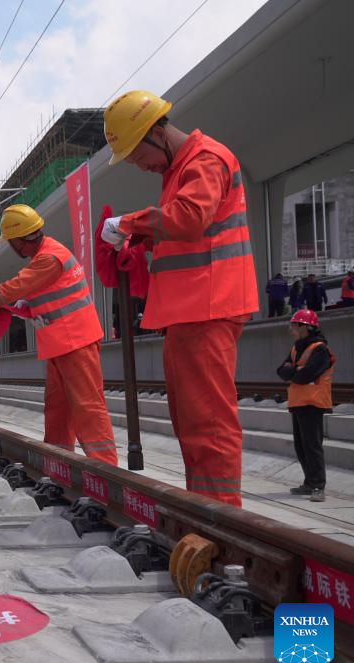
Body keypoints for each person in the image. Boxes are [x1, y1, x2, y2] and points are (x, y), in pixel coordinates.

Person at [100, 89, 258, 507]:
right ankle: (204, 510)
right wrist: (140, 243)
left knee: (208, 423)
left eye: (139, 156)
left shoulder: (206, 159)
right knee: (192, 423)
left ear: (157, 132)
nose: (143, 166)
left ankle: (219, 521)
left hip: (208, 305)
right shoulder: (180, 171)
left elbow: (190, 220)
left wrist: (131, 223)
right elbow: (186, 237)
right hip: (191, 310)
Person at [0, 205, 118, 466]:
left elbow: (15, 286)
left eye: (10, 242)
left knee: (87, 407)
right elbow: (50, 296)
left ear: (20, 240)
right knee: (57, 409)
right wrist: (28, 306)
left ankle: (106, 468)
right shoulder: (46, 254)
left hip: (75, 341)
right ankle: (58, 463)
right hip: (61, 343)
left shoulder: (48, 259)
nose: (11, 247)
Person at [276, 309, 333, 503]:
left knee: (312, 446)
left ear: (305, 327)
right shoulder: (296, 347)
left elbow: (305, 375)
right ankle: (309, 482)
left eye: (293, 325)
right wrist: (296, 370)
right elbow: (281, 371)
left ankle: (318, 486)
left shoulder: (320, 349)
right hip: (298, 402)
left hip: (313, 403)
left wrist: (293, 371)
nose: (290, 329)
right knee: (301, 446)